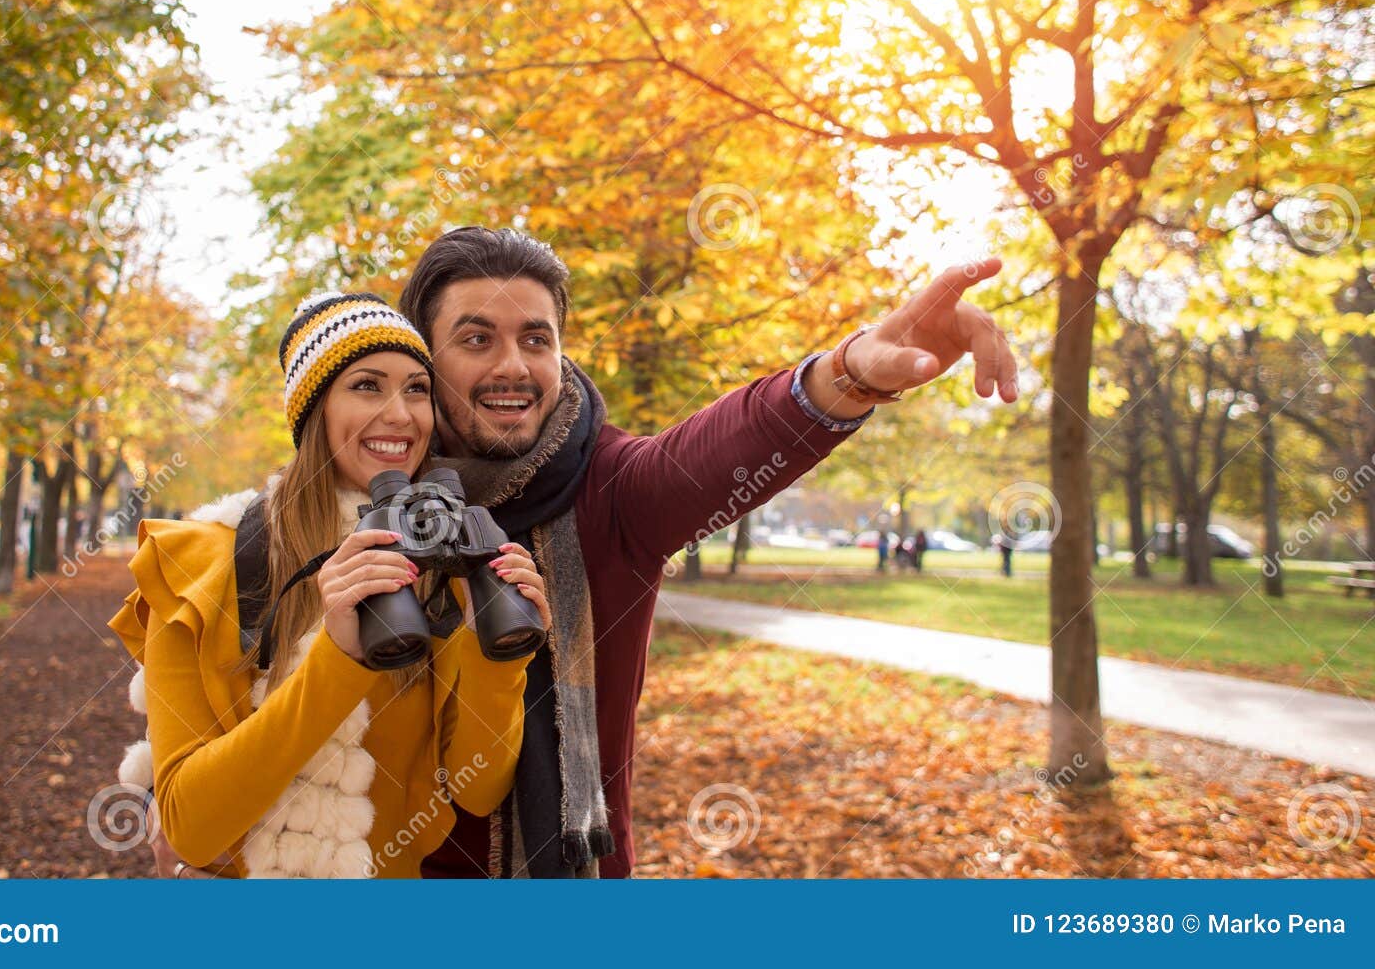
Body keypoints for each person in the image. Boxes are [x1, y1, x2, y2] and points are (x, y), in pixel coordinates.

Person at [134, 226, 1019, 878]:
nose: (513, 363)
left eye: (538, 338)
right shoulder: (357, 516)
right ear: (423, 359)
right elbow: (220, 729)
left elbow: (714, 452)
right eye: (475, 338)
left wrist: (851, 370)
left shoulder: (609, 490)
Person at [107, 292, 551, 878]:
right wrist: (338, 657)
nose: (400, 414)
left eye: (417, 389)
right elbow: (190, 828)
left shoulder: (433, 564)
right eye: (367, 385)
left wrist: (498, 660)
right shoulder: (199, 564)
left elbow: (477, 789)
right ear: (313, 410)